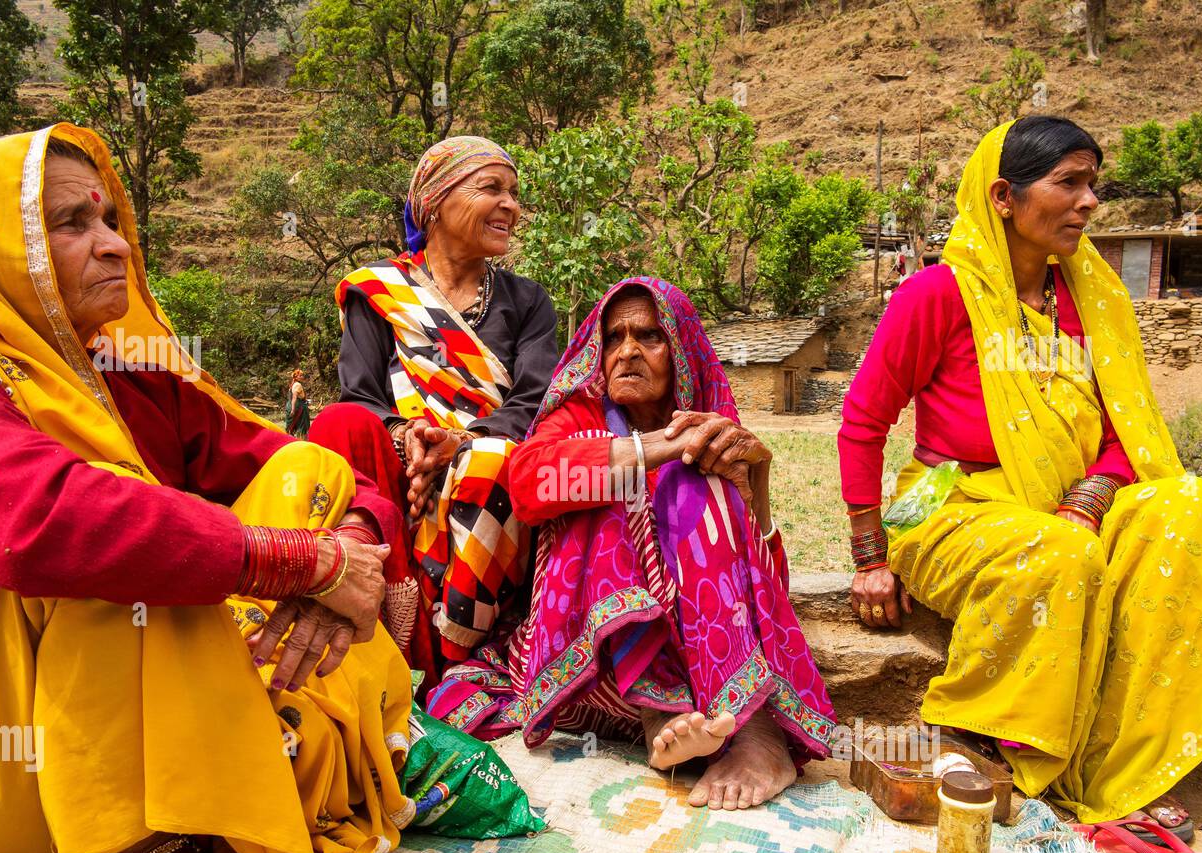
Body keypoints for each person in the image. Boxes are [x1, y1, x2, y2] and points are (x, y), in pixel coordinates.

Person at [0, 125, 421, 853]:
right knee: (119, 528)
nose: (115, 246)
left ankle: (232, 816)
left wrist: (348, 540)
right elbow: (43, 521)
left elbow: (309, 468)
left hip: (137, 724)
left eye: (110, 219)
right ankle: (135, 848)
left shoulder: (130, 372)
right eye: (70, 225)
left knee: (311, 464)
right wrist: (296, 562)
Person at [838, 115, 1202, 829]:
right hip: (951, 504)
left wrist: (1088, 495)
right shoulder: (936, 295)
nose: (1090, 202)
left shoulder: (1095, 300)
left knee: (1196, 507)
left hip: (1067, 506)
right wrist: (870, 556)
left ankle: (1120, 765)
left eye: (1094, 184)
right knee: (1063, 552)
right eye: (1069, 183)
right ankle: (988, 741)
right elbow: (864, 424)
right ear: (1003, 196)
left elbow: (1129, 434)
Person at [427, 278, 836, 810]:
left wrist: (754, 480)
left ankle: (759, 735)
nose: (627, 351)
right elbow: (528, 483)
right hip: (591, 669)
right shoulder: (582, 413)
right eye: (614, 337)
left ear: (682, 353)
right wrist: (661, 446)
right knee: (606, 467)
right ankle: (657, 710)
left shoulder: (711, 427)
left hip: (705, 679)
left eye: (649, 335)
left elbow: (766, 589)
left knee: (701, 475)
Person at [310, 136, 560, 668]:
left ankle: (453, 656)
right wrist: (410, 437)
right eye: (491, 189)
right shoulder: (376, 291)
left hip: (488, 466)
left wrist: (462, 441)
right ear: (437, 202)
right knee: (338, 424)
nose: (511, 206)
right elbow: (360, 396)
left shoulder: (529, 301)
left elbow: (535, 400)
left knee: (492, 463)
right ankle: (368, 616)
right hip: (403, 464)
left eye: (514, 194)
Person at [285, 367, 310, 438]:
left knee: (292, 426)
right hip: (298, 407)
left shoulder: (293, 384)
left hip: (291, 405)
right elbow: (294, 398)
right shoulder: (298, 385)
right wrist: (293, 409)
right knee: (302, 425)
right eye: (300, 375)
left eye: (302, 375)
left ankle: (292, 439)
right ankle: (302, 440)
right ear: (296, 377)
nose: (302, 377)